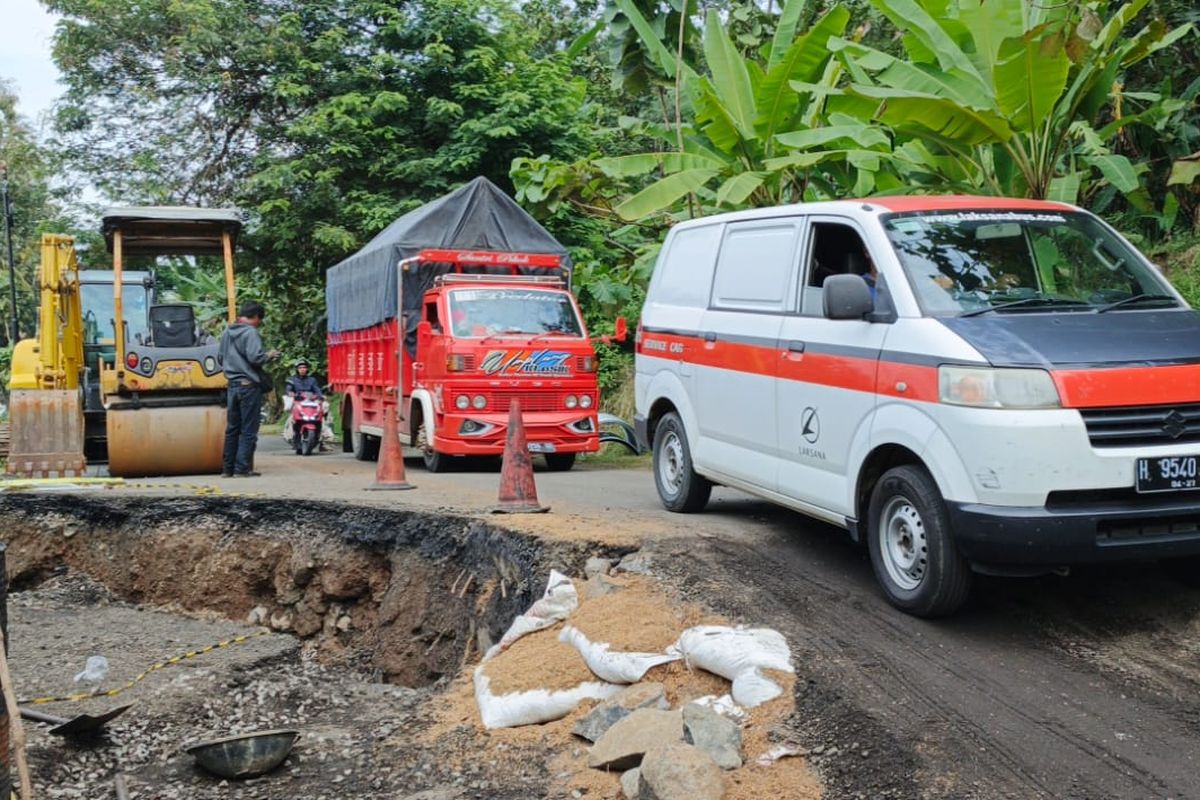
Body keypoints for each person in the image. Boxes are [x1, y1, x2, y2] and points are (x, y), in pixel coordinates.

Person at [219, 301, 279, 477]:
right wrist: (269, 355)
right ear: (256, 317)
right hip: (248, 386)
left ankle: (227, 469)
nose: (259, 323)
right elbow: (255, 358)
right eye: (260, 320)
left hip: (232, 386)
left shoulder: (227, 332)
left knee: (232, 429)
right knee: (249, 430)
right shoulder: (250, 332)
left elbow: (220, 357)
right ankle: (242, 468)